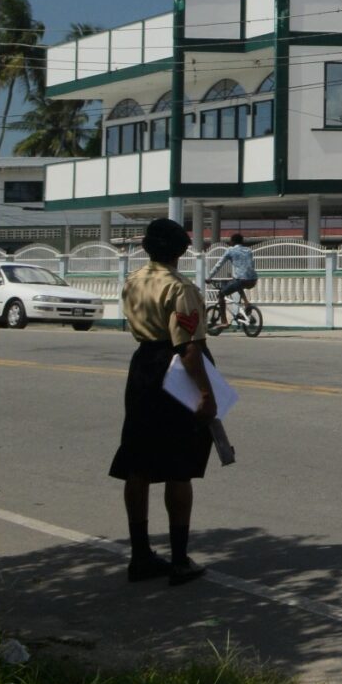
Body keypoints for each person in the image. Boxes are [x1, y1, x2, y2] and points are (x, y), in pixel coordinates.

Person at [109, 217, 217, 585]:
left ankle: (140, 555)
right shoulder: (180, 288)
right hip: (172, 370)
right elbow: (188, 347)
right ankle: (179, 559)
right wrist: (205, 391)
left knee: (137, 461)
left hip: (142, 368)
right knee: (178, 465)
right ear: (182, 250)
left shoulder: (133, 280)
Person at [216, 232, 257, 319]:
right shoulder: (248, 250)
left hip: (241, 279)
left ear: (233, 242)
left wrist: (209, 277)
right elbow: (250, 265)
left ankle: (224, 322)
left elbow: (218, 265)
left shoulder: (231, 250)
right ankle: (246, 304)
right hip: (253, 280)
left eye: (230, 241)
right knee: (237, 283)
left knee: (221, 295)